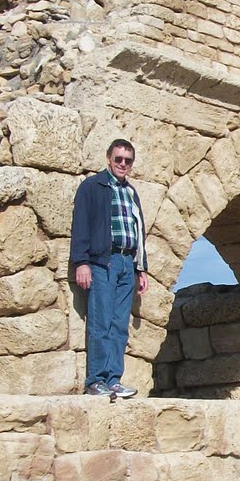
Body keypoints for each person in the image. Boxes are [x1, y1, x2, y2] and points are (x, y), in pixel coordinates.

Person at [70, 138, 148, 397]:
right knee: (100, 322)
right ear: (108, 159)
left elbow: (138, 230)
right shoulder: (93, 187)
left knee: (119, 325)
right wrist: (81, 262)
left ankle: (114, 379)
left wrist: (141, 268)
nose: (123, 164)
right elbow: (80, 225)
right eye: (118, 159)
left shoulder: (130, 192)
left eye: (127, 160)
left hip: (127, 263)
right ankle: (96, 381)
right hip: (103, 262)